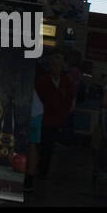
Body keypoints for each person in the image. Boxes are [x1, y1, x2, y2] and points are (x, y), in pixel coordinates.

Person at [34, 49, 75, 179]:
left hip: (56, 119)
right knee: (40, 145)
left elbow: (69, 100)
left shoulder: (66, 81)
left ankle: (43, 171)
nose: (56, 66)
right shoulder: (43, 80)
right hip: (42, 117)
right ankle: (37, 168)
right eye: (54, 63)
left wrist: (63, 113)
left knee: (49, 146)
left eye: (59, 63)